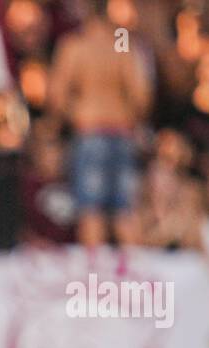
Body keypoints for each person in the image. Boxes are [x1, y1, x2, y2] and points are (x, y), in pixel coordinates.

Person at [46, 0, 152, 247]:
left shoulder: (74, 45)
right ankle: (133, 279)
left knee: (90, 210)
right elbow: (141, 95)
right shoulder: (121, 42)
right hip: (122, 131)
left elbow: (56, 97)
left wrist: (80, 113)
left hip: (89, 131)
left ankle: (93, 279)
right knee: (125, 210)